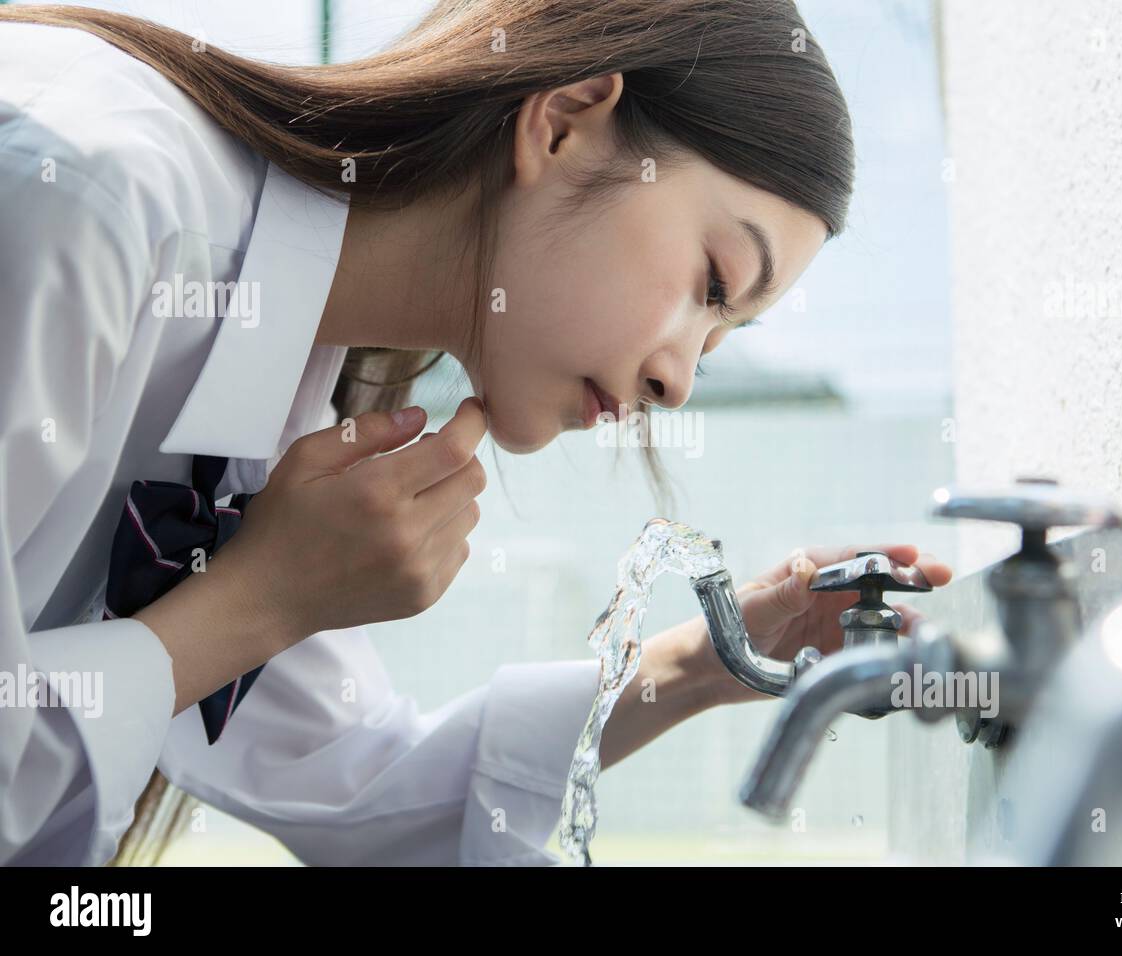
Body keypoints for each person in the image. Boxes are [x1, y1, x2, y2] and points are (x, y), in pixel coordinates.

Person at [0, 0, 952, 866]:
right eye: (712, 284)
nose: (678, 380)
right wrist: (261, 599)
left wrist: (704, 663)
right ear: (566, 120)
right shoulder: (87, 196)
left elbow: (364, 789)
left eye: (722, 336)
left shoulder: (282, 403)